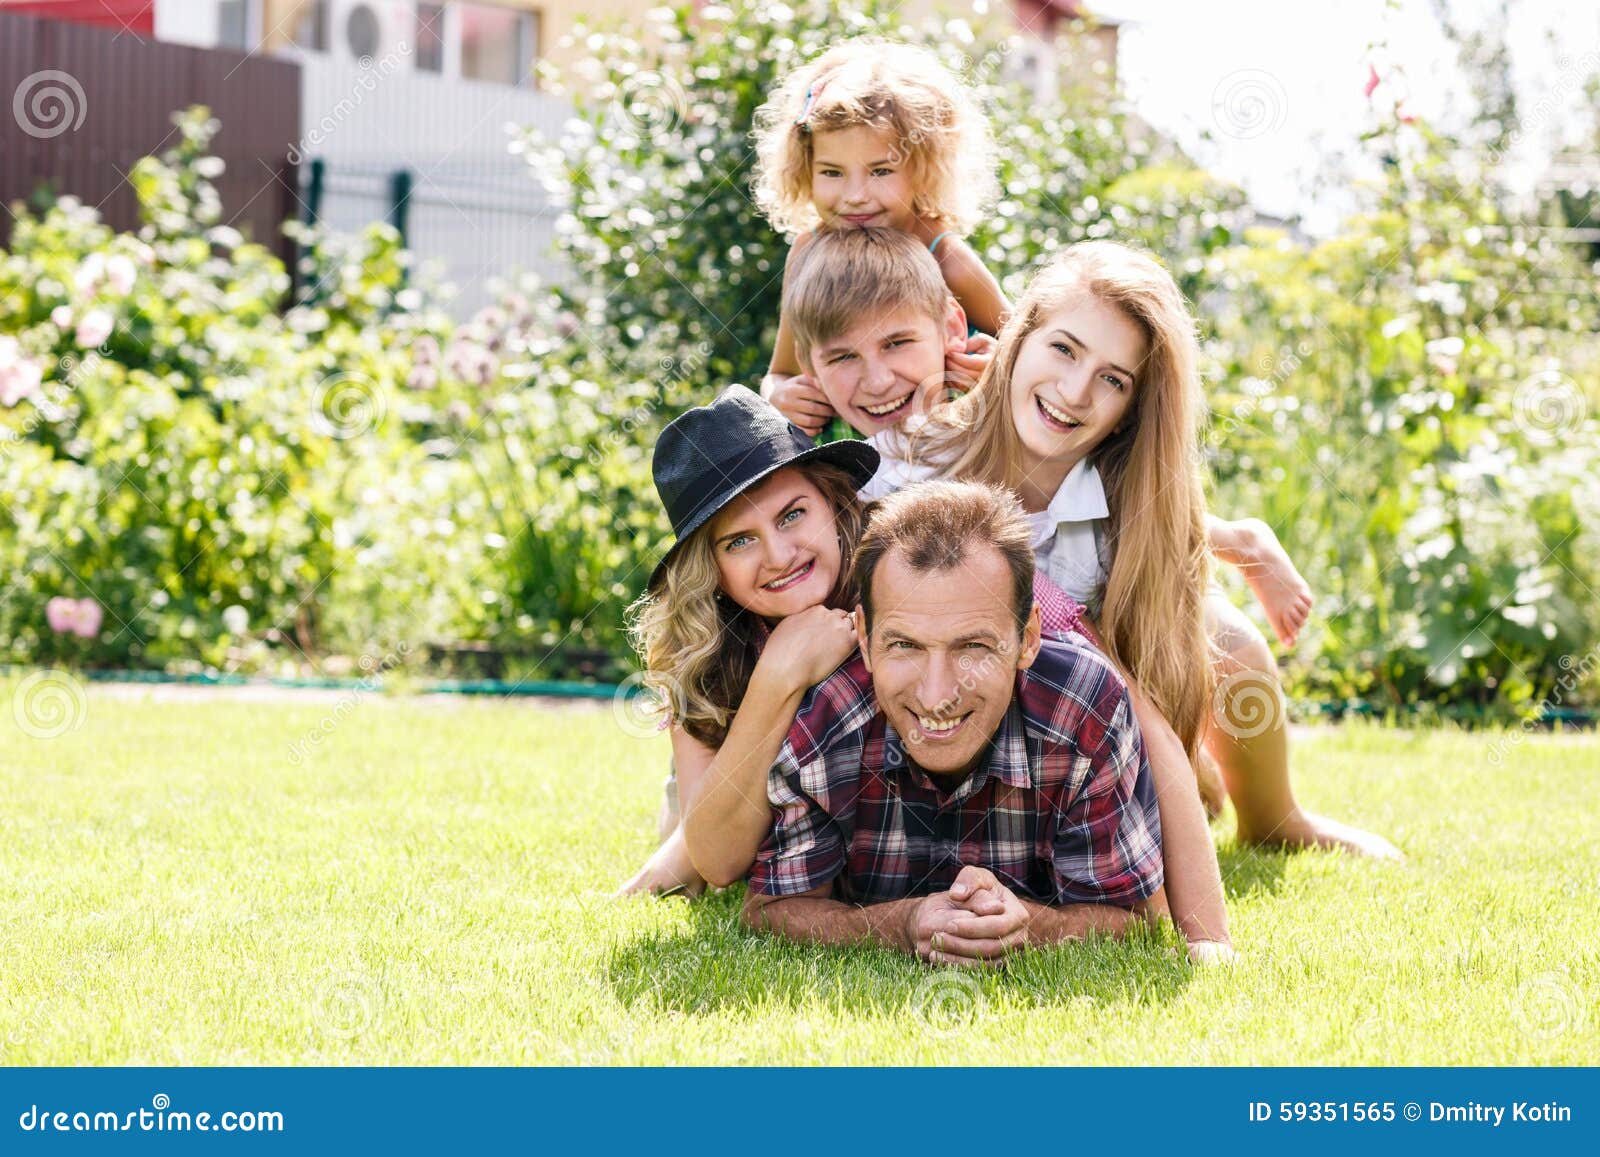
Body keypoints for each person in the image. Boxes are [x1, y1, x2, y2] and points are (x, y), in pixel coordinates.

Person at [869, 239, 1401, 860]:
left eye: (1111, 380)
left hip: (1081, 694)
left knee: (1227, 640)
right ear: (1018, 341)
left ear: (1129, 410)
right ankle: (1186, 774)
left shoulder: (1121, 496)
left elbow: (1144, 632)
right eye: (1063, 349)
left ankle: (1274, 817)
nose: (1072, 392)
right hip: (954, 690)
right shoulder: (917, 457)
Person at [743, 480, 1168, 966]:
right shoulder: (826, 717)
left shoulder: (1083, 705)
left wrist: (1030, 924)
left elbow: (1138, 919)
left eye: (973, 647)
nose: (937, 695)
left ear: (1027, 637)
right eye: (904, 645)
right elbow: (769, 910)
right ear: (863, 637)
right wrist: (902, 924)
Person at [618, 385, 877, 896]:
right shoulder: (695, 646)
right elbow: (718, 858)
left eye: (793, 514)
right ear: (710, 570)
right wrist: (778, 674)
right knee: (688, 837)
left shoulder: (896, 561)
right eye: (739, 541)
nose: (779, 556)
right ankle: (665, 857)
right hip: (729, 788)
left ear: (832, 499)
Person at [751, 39, 1007, 436]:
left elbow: (1026, 343)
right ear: (805, 168)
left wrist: (997, 365)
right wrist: (778, 396)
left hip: (950, 451)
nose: (855, 195)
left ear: (922, 167)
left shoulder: (946, 255)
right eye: (832, 173)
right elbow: (780, 371)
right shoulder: (807, 252)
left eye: (880, 171)